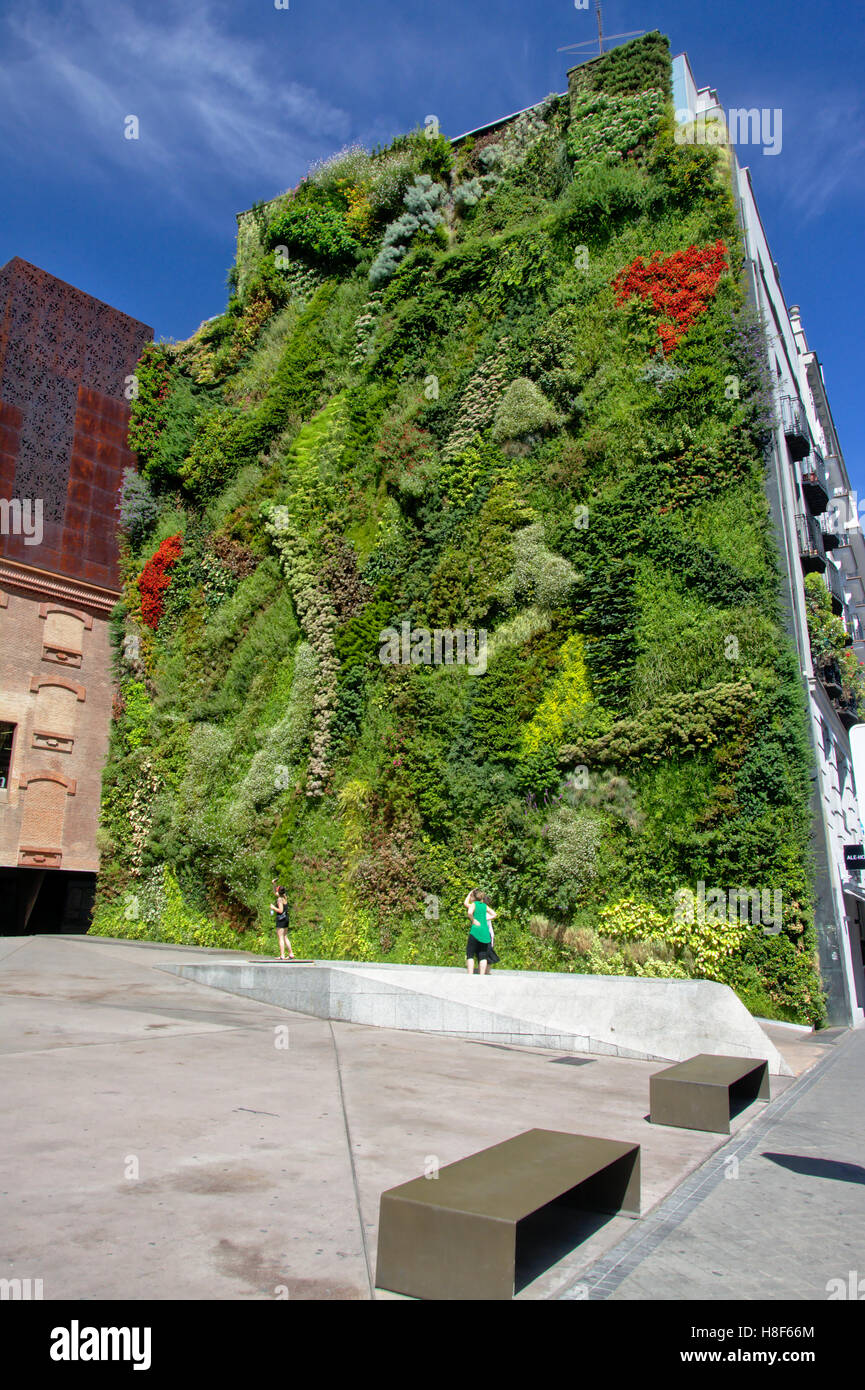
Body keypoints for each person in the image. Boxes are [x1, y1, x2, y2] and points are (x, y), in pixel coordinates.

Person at [463, 888, 497, 975]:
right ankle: (482, 976)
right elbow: (494, 914)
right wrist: (486, 919)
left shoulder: (474, 904)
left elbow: (469, 912)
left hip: (475, 931)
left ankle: (470, 975)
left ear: (474, 897)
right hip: (485, 933)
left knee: (470, 954)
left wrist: (473, 920)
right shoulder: (485, 906)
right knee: (483, 956)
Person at [269, 880, 295, 961]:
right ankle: (291, 953)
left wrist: (273, 908)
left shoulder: (279, 900)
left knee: (280, 937)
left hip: (281, 919)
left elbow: (280, 910)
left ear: (278, 891)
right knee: (285, 936)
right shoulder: (284, 897)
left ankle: (282, 955)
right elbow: (275, 893)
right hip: (286, 918)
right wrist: (274, 884)